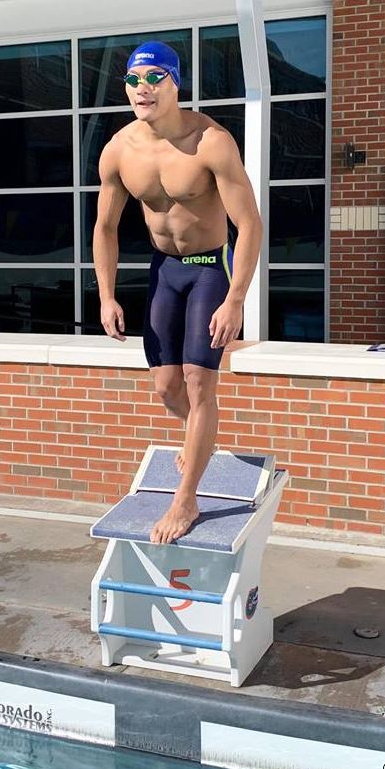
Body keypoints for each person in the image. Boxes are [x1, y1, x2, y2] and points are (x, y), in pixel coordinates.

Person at [92, 42, 262, 544]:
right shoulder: (119, 150)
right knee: (165, 388)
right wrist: (106, 295)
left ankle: (185, 499)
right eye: (133, 79)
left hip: (212, 268)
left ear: (175, 83)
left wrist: (236, 299)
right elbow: (105, 228)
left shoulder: (210, 141)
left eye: (154, 77)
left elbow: (249, 223)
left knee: (197, 380)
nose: (142, 87)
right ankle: (200, 434)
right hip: (165, 269)